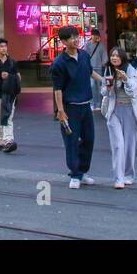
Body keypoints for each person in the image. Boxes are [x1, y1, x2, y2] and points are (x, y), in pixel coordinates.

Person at [50, 25, 96, 189]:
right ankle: (75, 174)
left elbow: (90, 72)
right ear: (63, 41)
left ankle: (83, 171)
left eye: (77, 36)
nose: (76, 40)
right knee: (71, 140)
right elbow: (58, 89)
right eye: (72, 38)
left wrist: (104, 81)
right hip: (70, 108)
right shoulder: (59, 63)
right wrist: (61, 111)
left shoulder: (84, 55)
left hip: (86, 105)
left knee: (89, 139)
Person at [100, 45, 137, 187]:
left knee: (129, 145)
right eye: (112, 55)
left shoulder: (130, 70)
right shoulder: (108, 70)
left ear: (123, 57)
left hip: (129, 111)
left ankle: (128, 175)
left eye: (117, 55)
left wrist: (125, 80)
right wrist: (107, 87)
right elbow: (103, 93)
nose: (114, 58)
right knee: (118, 144)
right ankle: (118, 178)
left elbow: (134, 93)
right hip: (113, 111)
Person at [85, 29, 108, 104]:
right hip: (90, 69)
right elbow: (85, 56)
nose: (95, 37)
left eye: (97, 35)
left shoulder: (101, 45)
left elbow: (105, 56)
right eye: (94, 35)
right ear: (91, 35)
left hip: (99, 68)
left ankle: (99, 103)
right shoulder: (87, 45)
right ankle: (92, 103)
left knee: (99, 87)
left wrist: (103, 63)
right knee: (91, 86)